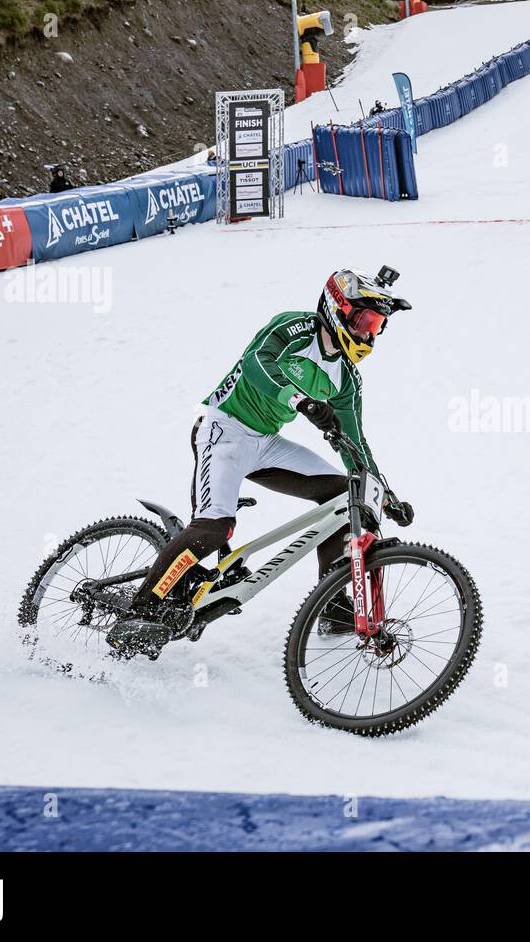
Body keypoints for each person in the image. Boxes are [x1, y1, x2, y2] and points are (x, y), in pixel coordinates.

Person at [106, 267, 414, 660]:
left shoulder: (347, 380)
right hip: (224, 429)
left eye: (377, 326)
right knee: (214, 528)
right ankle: (139, 612)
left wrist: (384, 495)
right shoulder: (294, 328)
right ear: (338, 308)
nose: (369, 335)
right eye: (364, 322)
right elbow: (256, 363)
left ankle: (333, 606)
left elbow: (355, 444)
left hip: (265, 443)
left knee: (345, 493)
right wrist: (299, 401)